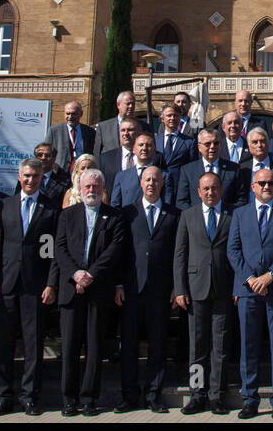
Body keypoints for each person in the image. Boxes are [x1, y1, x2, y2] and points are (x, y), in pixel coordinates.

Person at [0, 157, 59, 416]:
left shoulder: (51, 209)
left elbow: (53, 252)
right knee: (3, 344)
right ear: (19, 177)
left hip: (35, 286)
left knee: (33, 344)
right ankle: (2, 396)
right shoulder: (4, 206)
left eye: (35, 176)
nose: (30, 180)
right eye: (26, 176)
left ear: (42, 178)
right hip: (6, 284)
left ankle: (30, 395)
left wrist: (51, 284)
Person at [228, 168, 273, 419]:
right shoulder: (239, 214)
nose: (267, 186)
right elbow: (233, 251)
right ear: (253, 187)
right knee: (249, 346)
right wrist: (251, 279)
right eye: (262, 183)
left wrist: (270, 275)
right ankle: (250, 398)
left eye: (271, 183)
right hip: (248, 291)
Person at [55, 168, 127, 416]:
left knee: (95, 347)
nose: (92, 191)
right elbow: (60, 249)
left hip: (98, 291)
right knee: (70, 348)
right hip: (71, 290)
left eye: (96, 187)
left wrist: (90, 275)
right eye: (87, 187)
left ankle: (89, 400)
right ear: (80, 189)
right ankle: (68, 399)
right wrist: (76, 274)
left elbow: (114, 251)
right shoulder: (67, 215)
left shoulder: (114, 217)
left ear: (103, 189)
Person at [114, 165, 179, 413]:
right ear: (140, 183)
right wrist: (118, 284)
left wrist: (176, 286)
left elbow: (178, 253)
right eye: (147, 179)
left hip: (161, 291)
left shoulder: (174, 214)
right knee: (128, 345)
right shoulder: (127, 213)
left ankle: (153, 395)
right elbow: (120, 252)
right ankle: (129, 396)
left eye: (156, 180)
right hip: (131, 289)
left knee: (158, 345)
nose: (151, 183)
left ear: (162, 184)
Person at [173, 171, 233, 415]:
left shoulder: (231, 216)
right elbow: (180, 254)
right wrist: (179, 289)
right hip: (195, 289)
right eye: (205, 189)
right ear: (198, 192)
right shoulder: (188, 216)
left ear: (221, 190)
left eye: (214, 188)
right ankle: (197, 394)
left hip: (222, 288)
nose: (210, 192)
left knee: (220, 345)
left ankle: (216, 395)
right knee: (197, 346)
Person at [176, 128, 244, 210]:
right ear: (199, 147)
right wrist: (195, 218)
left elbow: (241, 199)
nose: (212, 147)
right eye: (207, 144)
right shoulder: (188, 170)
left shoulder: (233, 169)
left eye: (216, 143)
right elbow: (182, 202)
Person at [109, 133, 167, 208]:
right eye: (140, 145)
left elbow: (167, 203)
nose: (144, 148)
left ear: (154, 149)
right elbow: (115, 205)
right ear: (133, 149)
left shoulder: (164, 176)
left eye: (148, 145)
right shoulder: (121, 176)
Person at [93, 91, 150, 157]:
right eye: (128, 104)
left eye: (133, 104)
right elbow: (97, 154)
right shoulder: (103, 127)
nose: (131, 106)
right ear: (118, 105)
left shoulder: (144, 127)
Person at [155, 102, 197, 191]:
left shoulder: (189, 142)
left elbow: (192, 166)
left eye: (175, 116)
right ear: (162, 119)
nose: (172, 118)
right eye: (169, 116)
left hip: (179, 186)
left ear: (180, 119)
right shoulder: (155, 141)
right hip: (158, 185)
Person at [46, 100, 95, 171]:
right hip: (61, 172)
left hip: (82, 171)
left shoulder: (89, 131)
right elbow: (47, 151)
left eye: (73, 114)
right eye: (67, 114)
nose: (70, 117)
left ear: (81, 114)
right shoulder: (54, 131)